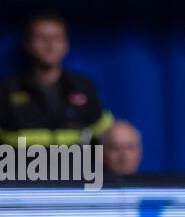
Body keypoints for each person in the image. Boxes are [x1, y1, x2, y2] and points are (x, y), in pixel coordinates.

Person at [0, 13, 113, 148]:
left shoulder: (83, 87)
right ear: (27, 44)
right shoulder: (7, 89)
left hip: (75, 167)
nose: (50, 45)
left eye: (57, 38)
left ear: (66, 45)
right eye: (42, 38)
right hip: (23, 167)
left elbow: (105, 133)